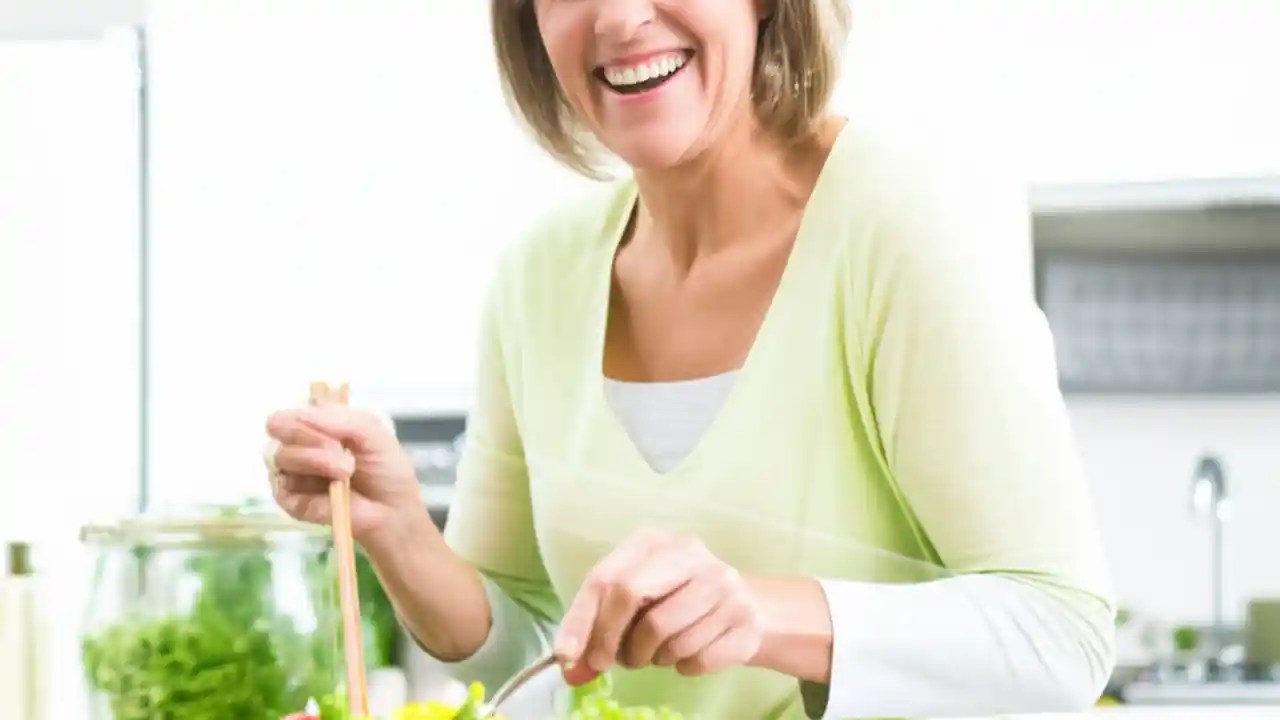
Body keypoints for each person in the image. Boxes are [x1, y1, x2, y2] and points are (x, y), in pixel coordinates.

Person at [264, 0, 1117, 717]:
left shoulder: (900, 219)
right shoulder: (539, 277)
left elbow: (1062, 635)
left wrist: (758, 614)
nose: (623, 18)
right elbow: (535, 655)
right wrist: (398, 532)